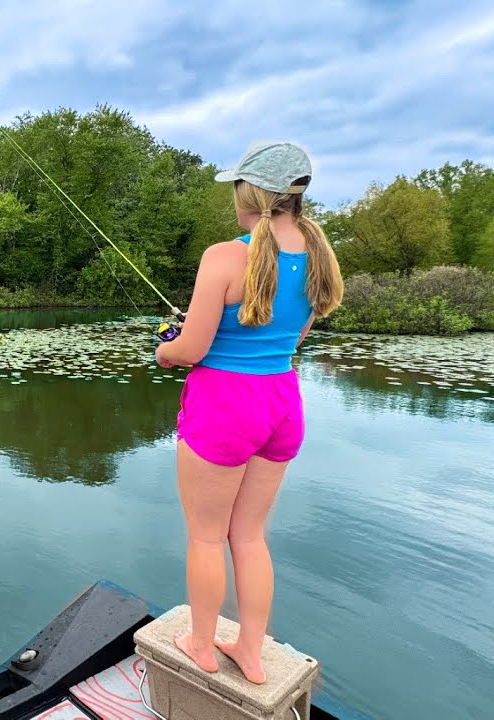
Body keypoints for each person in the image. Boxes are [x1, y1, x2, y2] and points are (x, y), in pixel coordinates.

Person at [153, 141, 343, 684]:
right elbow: (293, 338)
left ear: (250, 192)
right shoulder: (319, 254)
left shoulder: (223, 256)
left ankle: (202, 644)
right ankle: (252, 652)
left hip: (224, 405)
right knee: (251, 535)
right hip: (282, 401)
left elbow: (190, 350)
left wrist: (164, 347)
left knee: (207, 536)